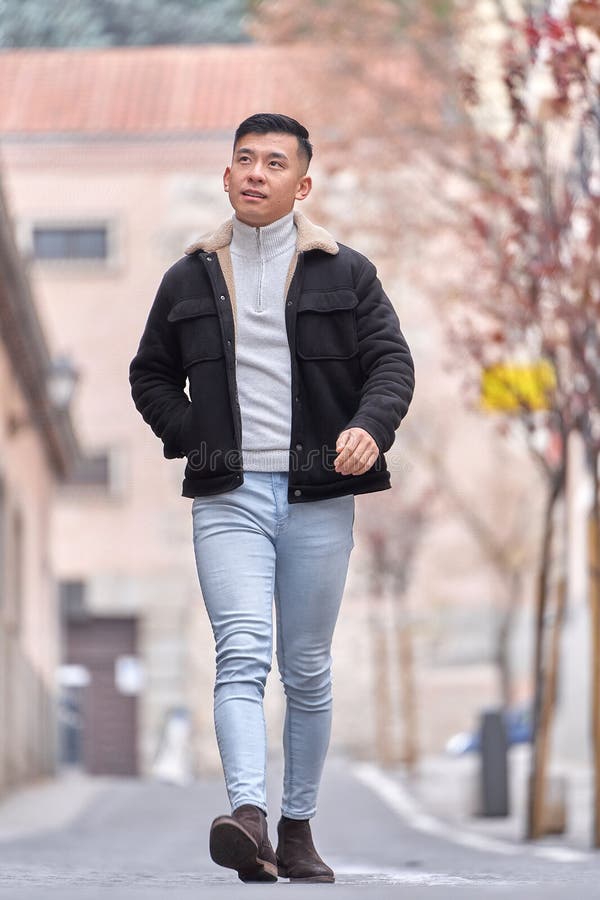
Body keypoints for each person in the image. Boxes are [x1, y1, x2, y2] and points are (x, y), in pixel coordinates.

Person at [129, 112, 415, 884]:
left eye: (274, 163)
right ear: (226, 177)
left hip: (320, 494)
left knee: (307, 667)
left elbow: (392, 363)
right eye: (244, 160)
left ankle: (296, 827)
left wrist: (370, 428)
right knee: (242, 653)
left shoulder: (346, 273)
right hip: (228, 495)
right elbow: (149, 374)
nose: (256, 172)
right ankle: (247, 817)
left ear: (302, 184)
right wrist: (192, 435)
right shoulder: (187, 277)